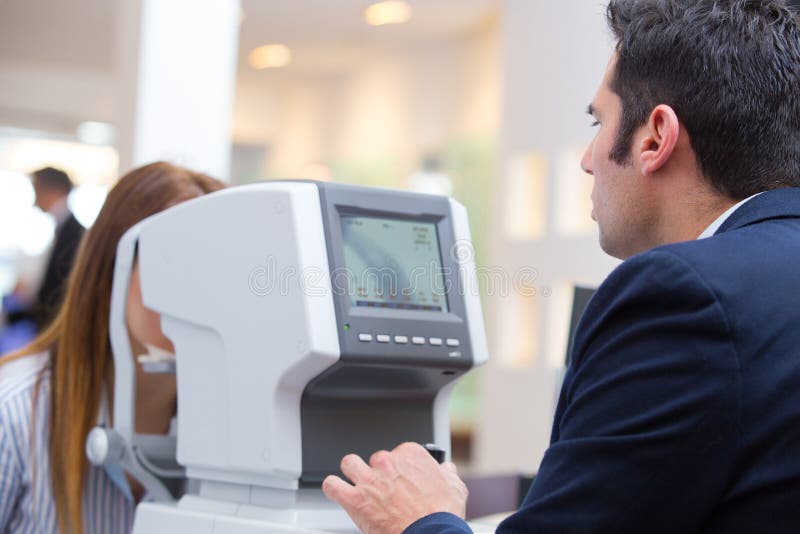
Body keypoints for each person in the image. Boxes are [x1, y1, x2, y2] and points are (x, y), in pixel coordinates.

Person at [322, 1, 800, 532]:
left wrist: (420, 518)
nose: (587, 158)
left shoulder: (679, 295)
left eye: (599, 121)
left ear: (654, 138)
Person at [0, 162, 225, 533]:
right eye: (177, 261)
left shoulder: (242, 427)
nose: (201, 289)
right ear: (110, 271)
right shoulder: (16, 413)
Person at [6, 167, 86, 331]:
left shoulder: (73, 233)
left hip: (56, 327)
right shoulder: (64, 229)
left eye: (36, 191)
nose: (35, 201)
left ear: (53, 190)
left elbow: (59, 290)